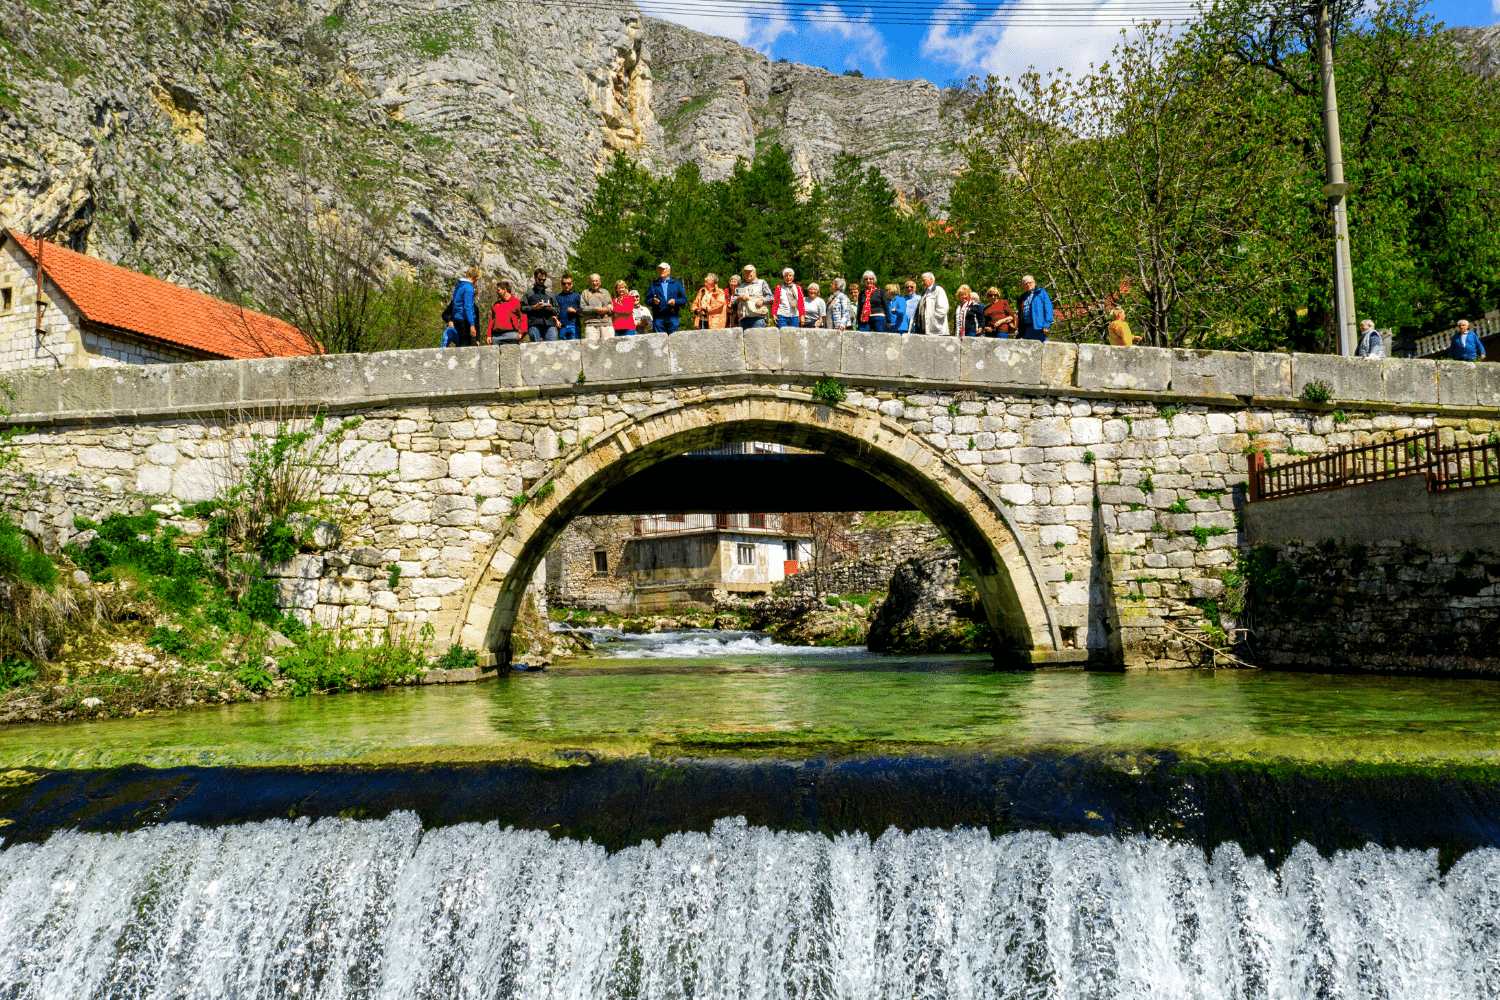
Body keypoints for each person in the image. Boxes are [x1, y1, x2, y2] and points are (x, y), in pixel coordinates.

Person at [520, 268, 559, 342]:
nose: (541, 281)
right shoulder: (528, 293)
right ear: (535, 278)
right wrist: (534, 307)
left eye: (543, 280)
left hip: (549, 324)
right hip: (534, 324)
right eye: (540, 279)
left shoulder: (550, 294)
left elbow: (557, 309)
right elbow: (522, 308)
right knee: (535, 346)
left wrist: (551, 309)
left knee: (552, 344)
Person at [647, 262, 686, 333]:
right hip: (658, 318)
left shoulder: (676, 283)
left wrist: (675, 301)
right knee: (659, 338)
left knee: (673, 338)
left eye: (663, 269)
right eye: (659, 269)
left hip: (672, 317)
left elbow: (684, 300)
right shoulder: (653, 285)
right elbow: (647, 300)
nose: (661, 271)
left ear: (669, 271)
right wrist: (653, 301)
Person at [1017, 274, 1053, 342]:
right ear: (1023, 285)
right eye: (1025, 284)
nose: (1028, 285)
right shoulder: (1022, 297)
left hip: (1038, 327)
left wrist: (1047, 325)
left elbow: (1048, 309)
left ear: (1034, 282)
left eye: (1029, 282)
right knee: (1026, 347)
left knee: (1039, 347)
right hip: (1026, 329)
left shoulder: (1041, 293)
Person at [448, 267, 479, 346]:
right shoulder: (469, 288)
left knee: (459, 345)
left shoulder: (459, 286)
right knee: (465, 346)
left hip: (456, 318)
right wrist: (472, 324)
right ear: (476, 278)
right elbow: (468, 306)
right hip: (464, 321)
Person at [488, 280, 525, 345]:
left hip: (512, 335)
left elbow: (523, 318)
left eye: (498, 290)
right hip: (496, 336)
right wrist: (488, 335)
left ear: (505, 289)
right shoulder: (496, 304)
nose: (497, 292)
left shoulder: (516, 302)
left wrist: (522, 333)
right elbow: (491, 320)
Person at [580, 273, 613, 345]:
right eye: (592, 281)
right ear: (590, 282)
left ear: (600, 282)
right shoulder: (585, 293)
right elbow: (582, 308)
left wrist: (607, 309)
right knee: (591, 347)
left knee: (609, 346)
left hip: (606, 324)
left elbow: (611, 306)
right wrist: (595, 309)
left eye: (596, 281)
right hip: (591, 325)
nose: (595, 283)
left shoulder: (605, 292)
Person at [554, 273, 582, 341]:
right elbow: (553, 311)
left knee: (575, 345)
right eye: (564, 284)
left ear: (572, 284)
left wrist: (575, 311)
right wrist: (556, 320)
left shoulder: (577, 296)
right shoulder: (557, 297)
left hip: (574, 326)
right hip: (561, 326)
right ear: (561, 284)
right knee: (562, 346)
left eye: (568, 284)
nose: (566, 285)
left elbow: (583, 311)